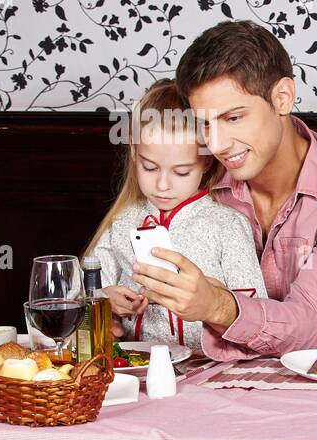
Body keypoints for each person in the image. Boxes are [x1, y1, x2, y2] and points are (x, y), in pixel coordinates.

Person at [131, 20, 317, 361]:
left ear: (282, 97)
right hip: (217, 377)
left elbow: (313, 324)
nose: (217, 144)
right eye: (205, 123)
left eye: (233, 118)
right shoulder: (201, 178)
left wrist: (217, 306)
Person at [86, 79, 265, 350]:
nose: (162, 185)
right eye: (149, 168)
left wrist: (213, 298)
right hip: (136, 364)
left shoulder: (227, 225)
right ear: (134, 152)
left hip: (208, 365)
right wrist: (106, 301)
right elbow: (84, 293)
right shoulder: (122, 221)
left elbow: (255, 312)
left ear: (206, 161)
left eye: (181, 172)